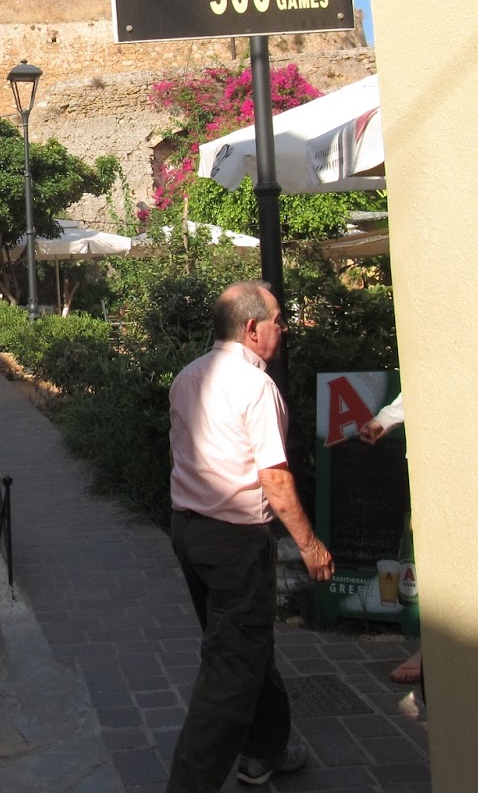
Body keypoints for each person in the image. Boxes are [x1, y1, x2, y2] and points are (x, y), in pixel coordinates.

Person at [166, 281, 333, 791]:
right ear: (253, 328)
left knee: (242, 643)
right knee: (231, 668)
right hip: (235, 541)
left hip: (189, 532)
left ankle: (265, 750)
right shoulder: (256, 387)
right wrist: (310, 545)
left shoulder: (187, 377)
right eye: (278, 320)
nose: (284, 328)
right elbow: (275, 479)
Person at [359, 393, 424, 690]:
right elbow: (419, 389)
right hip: (429, 471)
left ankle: (430, 650)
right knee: (427, 561)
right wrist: (383, 421)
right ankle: (429, 648)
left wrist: (383, 420)